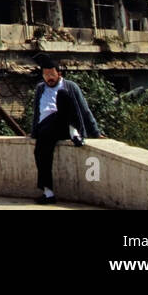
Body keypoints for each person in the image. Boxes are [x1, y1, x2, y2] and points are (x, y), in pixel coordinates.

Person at [30, 53, 101, 204]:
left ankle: (73, 130)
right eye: (46, 75)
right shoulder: (40, 88)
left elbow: (84, 109)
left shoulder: (69, 86)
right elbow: (36, 111)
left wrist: (95, 132)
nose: (49, 78)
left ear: (59, 74)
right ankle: (48, 193)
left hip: (64, 123)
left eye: (52, 74)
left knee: (62, 95)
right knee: (40, 152)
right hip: (46, 128)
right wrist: (33, 131)